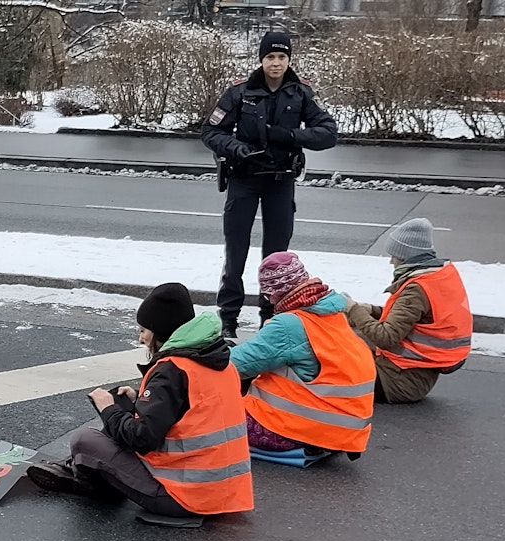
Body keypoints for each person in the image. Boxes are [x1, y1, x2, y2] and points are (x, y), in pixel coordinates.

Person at [27, 283, 254, 523]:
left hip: (182, 496)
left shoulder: (171, 370)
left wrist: (108, 407)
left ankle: (90, 481)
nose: (141, 337)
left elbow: (142, 439)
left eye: (144, 330)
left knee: (84, 440)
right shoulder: (217, 359)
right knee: (126, 413)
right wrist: (140, 399)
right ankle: (79, 469)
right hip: (224, 492)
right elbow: (196, 411)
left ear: (161, 331)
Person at [201, 31, 338, 339]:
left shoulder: (300, 93)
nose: (276, 63)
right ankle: (229, 317)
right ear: (261, 59)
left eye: (281, 57)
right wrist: (235, 148)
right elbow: (210, 132)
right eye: (270, 57)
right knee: (236, 251)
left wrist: (290, 137)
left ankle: (270, 315)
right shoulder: (240, 91)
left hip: (280, 181)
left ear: (289, 59)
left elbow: (328, 132)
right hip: (244, 179)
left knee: (276, 256)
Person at [230, 252, 375, 456]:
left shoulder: (289, 325)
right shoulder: (331, 314)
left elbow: (235, 365)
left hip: (300, 429)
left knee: (212, 417)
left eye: (267, 294)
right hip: (342, 432)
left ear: (277, 293)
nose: (269, 300)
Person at [345, 218, 472, 404]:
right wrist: (372, 310)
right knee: (350, 333)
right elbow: (416, 321)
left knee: (335, 345)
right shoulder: (437, 276)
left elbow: (385, 337)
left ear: (405, 255)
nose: (391, 261)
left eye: (394, 255)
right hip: (415, 375)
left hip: (397, 382)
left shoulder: (416, 289)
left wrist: (353, 309)